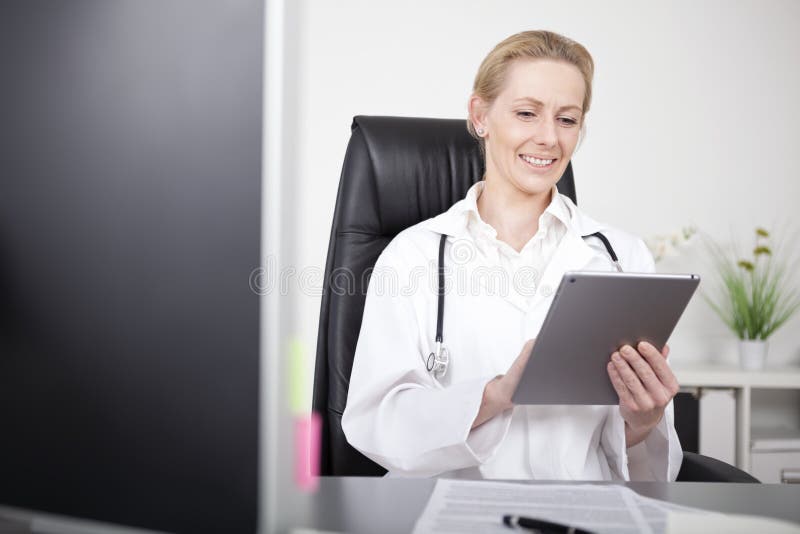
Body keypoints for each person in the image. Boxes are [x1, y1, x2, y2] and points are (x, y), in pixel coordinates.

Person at [341, 30, 682, 480]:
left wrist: (644, 420)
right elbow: (377, 421)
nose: (548, 139)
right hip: (454, 518)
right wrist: (497, 393)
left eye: (567, 120)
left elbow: (637, 463)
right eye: (526, 113)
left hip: (582, 515)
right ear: (480, 116)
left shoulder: (623, 258)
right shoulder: (414, 257)